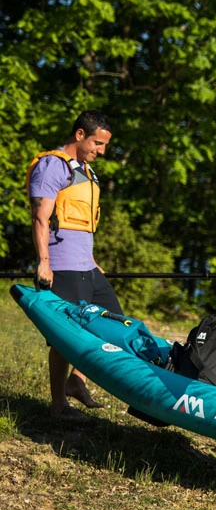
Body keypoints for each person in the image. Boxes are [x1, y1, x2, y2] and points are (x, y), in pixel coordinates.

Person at [26, 110, 122, 419]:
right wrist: (44, 263)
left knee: (113, 323)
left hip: (86, 267)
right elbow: (41, 217)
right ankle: (58, 406)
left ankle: (76, 382)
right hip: (63, 265)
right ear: (79, 135)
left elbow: (81, 224)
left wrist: (93, 261)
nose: (101, 151)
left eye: (104, 145)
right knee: (65, 336)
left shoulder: (84, 170)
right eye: (97, 143)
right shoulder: (52, 166)